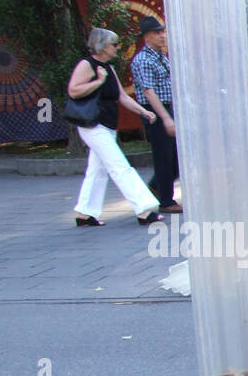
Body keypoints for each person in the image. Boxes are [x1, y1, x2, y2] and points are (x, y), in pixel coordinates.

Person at [68, 28, 163, 226]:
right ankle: (145, 209)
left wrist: (142, 111)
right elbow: (74, 90)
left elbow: (120, 96)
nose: (117, 48)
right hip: (92, 125)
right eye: (114, 44)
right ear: (102, 46)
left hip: (107, 124)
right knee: (119, 166)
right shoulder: (87, 65)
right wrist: (98, 81)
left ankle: (85, 213)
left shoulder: (108, 68)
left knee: (97, 169)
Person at [130, 16, 181, 213]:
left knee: (176, 156)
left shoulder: (161, 56)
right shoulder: (143, 60)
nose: (162, 36)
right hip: (156, 111)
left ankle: (156, 186)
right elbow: (148, 91)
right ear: (146, 37)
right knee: (164, 156)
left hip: (169, 107)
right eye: (157, 33)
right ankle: (166, 201)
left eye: (162, 32)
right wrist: (165, 117)